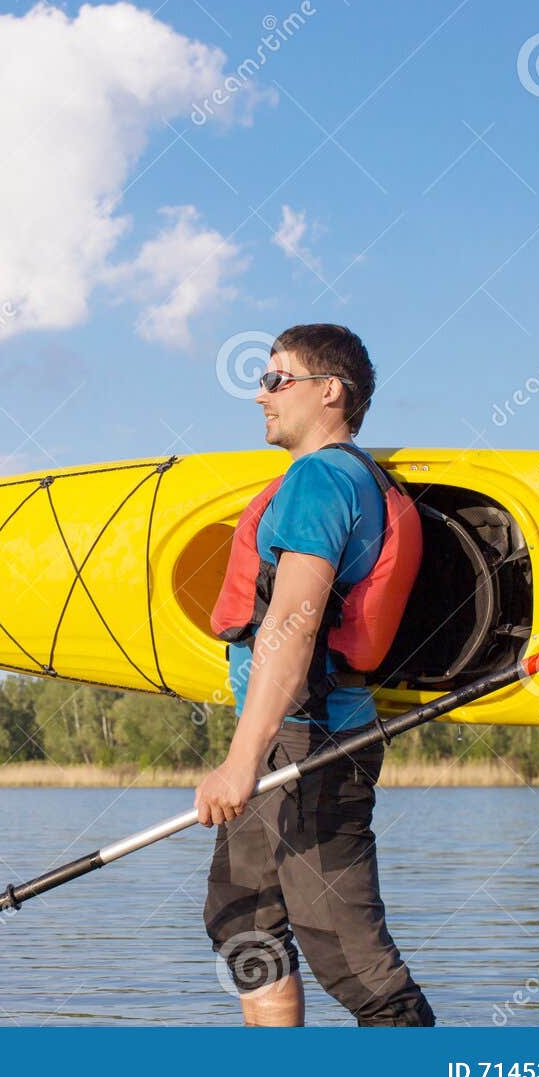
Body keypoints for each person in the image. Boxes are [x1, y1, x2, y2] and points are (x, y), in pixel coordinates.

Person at [194, 323, 434, 1027]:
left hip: (312, 749)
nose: (261, 395)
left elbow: (294, 622)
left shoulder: (320, 479)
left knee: (356, 967)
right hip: (289, 743)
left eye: (276, 379)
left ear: (330, 391)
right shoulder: (343, 477)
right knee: (244, 921)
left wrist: (241, 762)